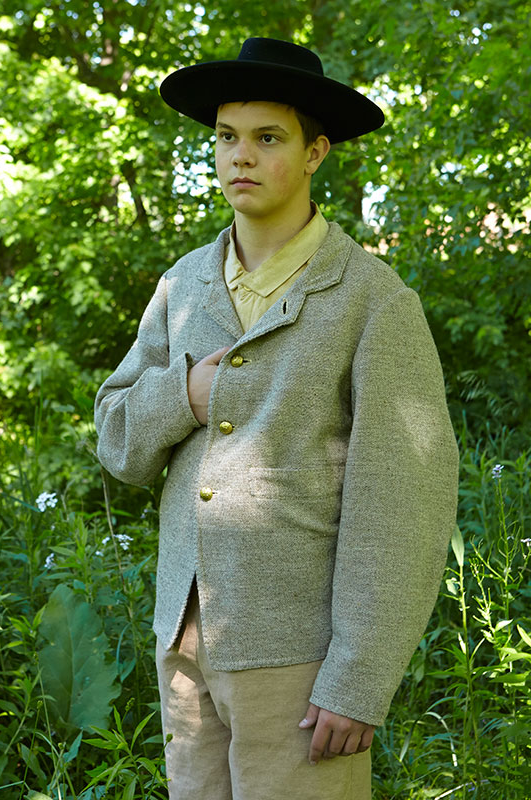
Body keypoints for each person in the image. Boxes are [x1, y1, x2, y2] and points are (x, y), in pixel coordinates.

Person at [95, 37, 459, 800]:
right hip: (185, 650)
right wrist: (185, 397)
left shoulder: (372, 301)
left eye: (268, 138)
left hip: (301, 664)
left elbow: (402, 505)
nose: (241, 156)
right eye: (227, 137)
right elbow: (118, 442)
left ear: (315, 151)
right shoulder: (183, 286)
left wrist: (358, 677)